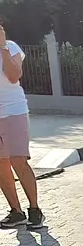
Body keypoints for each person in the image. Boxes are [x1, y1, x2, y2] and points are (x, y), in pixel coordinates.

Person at [0, 25, 43, 230]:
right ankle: (16, 212)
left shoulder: (11, 47)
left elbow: (14, 76)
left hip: (13, 111)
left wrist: (3, 49)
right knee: (1, 165)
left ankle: (34, 209)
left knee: (18, 160)